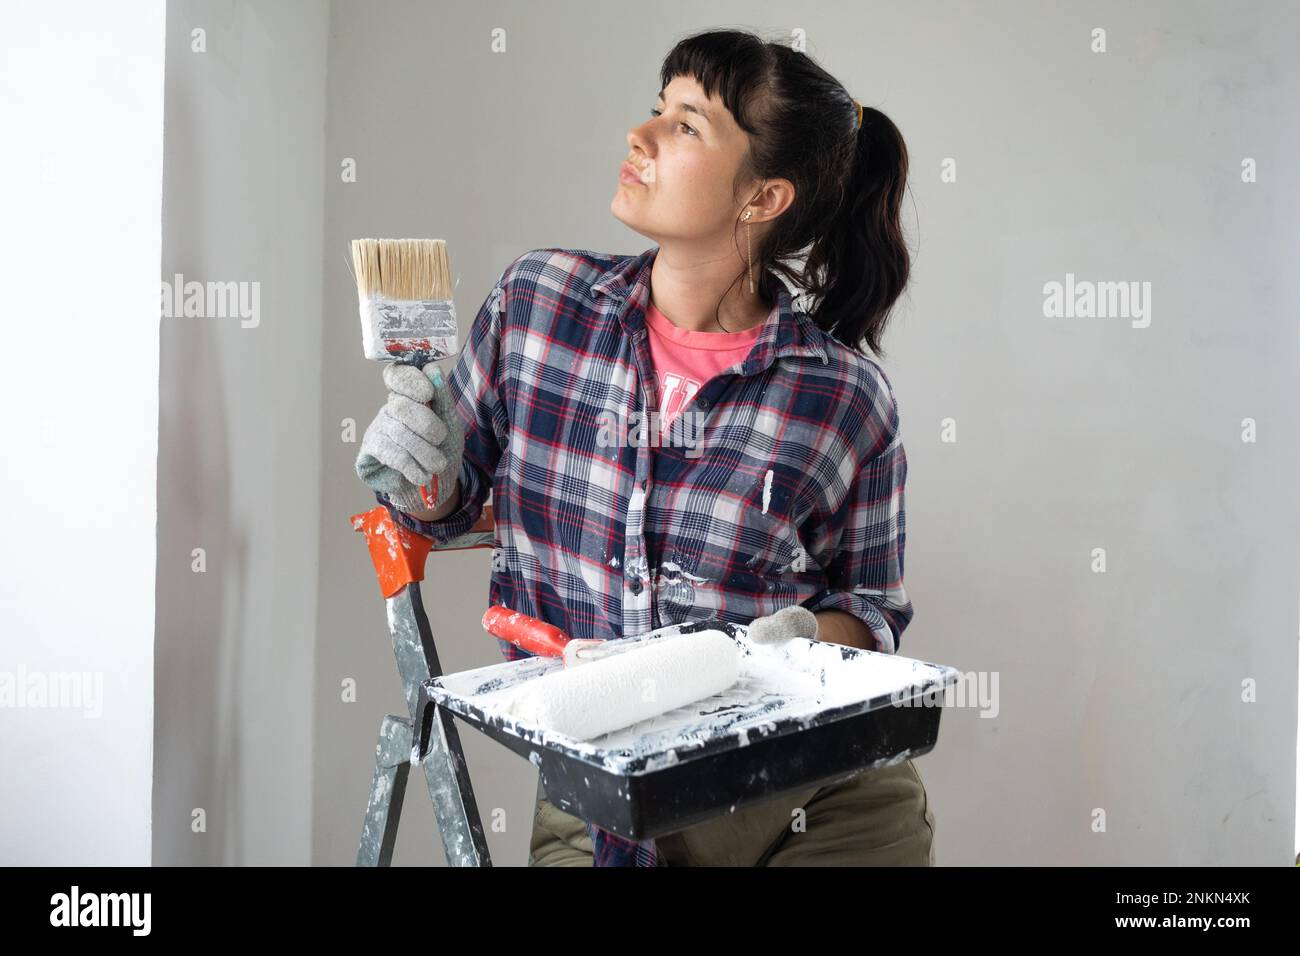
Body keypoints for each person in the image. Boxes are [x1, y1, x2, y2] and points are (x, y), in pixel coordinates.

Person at [356, 28, 933, 866]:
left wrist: (783, 637)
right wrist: (418, 469)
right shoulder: (539, 305)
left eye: (688, 125)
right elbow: (440, 505)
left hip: (817, 792)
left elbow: (874, 614)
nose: (642, 135)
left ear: (763, 198)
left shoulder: (842, 395)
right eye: (656, 109)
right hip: (599, 803)